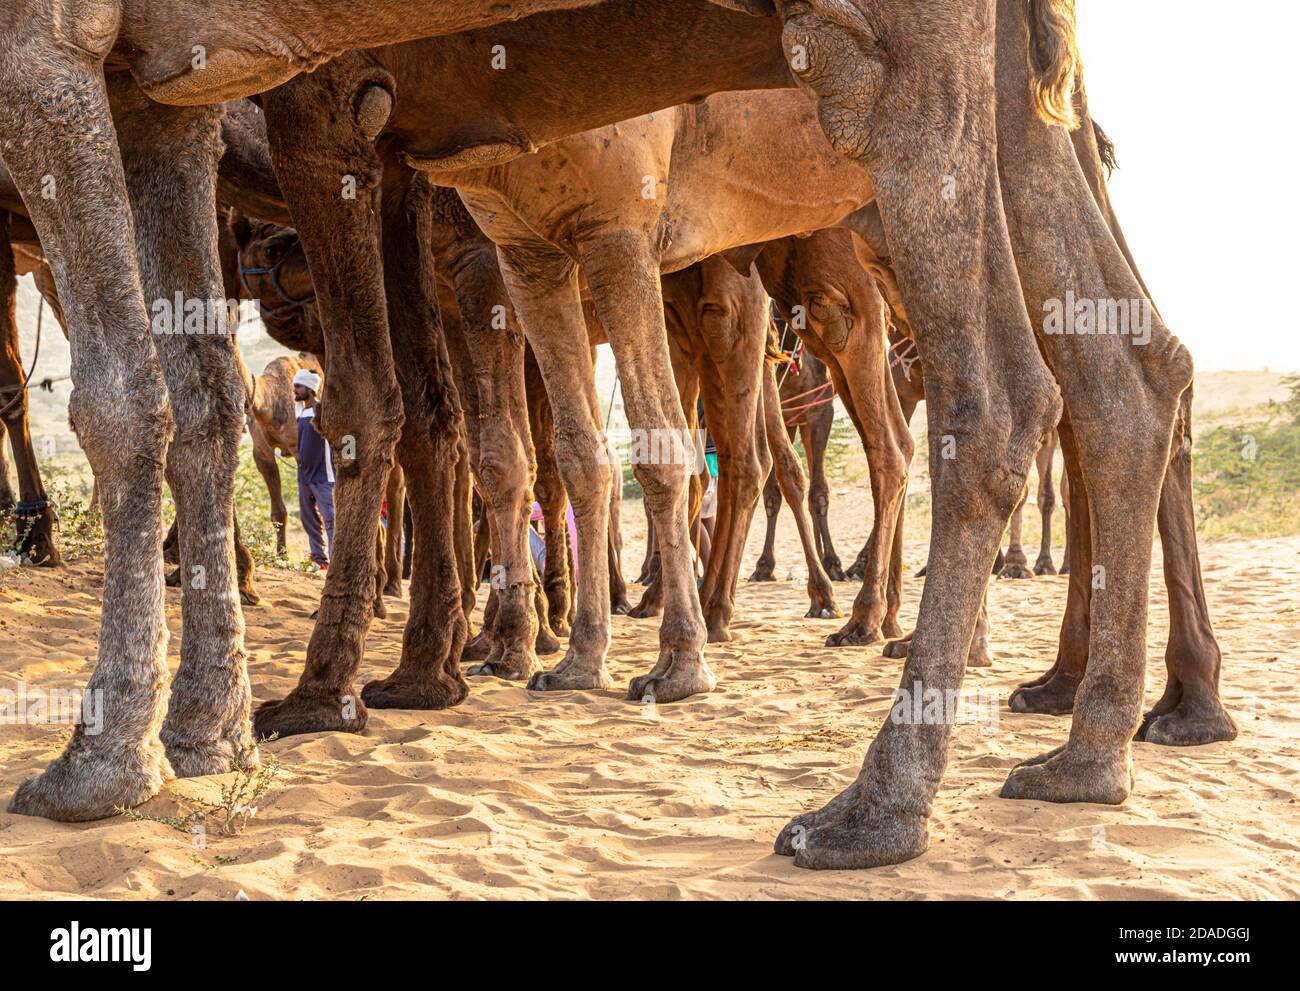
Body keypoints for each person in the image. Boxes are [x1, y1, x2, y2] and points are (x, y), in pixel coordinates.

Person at [293, 368, 334, 569]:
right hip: (304, 477)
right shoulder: (301, 412)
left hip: (324, 476)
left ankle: (336, 561)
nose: (295, 390)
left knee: (331, 520)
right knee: (309, 520)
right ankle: (319, 561)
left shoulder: (322, 411)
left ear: (310, 389)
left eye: (299, 386)